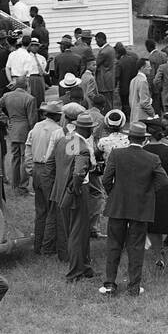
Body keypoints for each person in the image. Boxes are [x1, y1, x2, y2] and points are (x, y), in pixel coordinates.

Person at [100, 120, 168, 296]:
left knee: (114, 245)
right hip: (141, 207)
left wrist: (114, 194)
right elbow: (164, 181)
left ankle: (109, 284)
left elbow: (106, 180)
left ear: (128, 137)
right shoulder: (152, 158)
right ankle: (134, 286)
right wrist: (147, 192)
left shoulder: (117, 154)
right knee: (136, 247)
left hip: (118, 206)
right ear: (144, 140)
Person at [56, 112, 96, 282]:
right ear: (87, 130)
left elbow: (53, 162)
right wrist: (76, 188)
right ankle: (75, 272)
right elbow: (79, 172)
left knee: (76, 230)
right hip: (76, 191)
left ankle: (85, 267)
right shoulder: (83, 146)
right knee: (77, 232)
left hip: (62, 189)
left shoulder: (64, 139)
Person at [25, 100, 66, 256]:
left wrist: (30, 168)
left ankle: (38, 245)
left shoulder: (35, 127)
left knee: (40, 209)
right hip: (49, 171)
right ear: (58, 116)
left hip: (36, 169)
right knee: (52, 209)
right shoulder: (58, 131)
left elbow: (27, 149)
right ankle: (48, 247)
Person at [143, 120, 168, 271]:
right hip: (167, 191)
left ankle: (158, 257)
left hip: (150, 191)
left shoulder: (143, 150)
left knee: (154, 226)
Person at [0, 78, 37, 195]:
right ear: (27, 85)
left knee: (15, 158)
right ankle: (22, 187)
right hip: (25, 129)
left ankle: (15, 185)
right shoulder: (29, 98)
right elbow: (32, 119)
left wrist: (6, 120)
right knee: (24, 158)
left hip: (13, 130)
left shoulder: (7, 95)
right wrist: (33, 132)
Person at [115, 43, 141, 112]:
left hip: (124, 87)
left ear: (119, 54)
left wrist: (114, 85)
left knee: (125, 103)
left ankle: (127, 117)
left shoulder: (120, 63)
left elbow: (117, 76)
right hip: (134, 84)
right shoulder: (133, 59)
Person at [128, 60, 155, 124]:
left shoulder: (133, 80)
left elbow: (131, 100)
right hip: (142, 117)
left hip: (134, 115)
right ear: (142, 68)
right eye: (148, 67)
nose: (150, 68)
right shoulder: (143, 81)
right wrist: (152, 113)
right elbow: (144, 103)